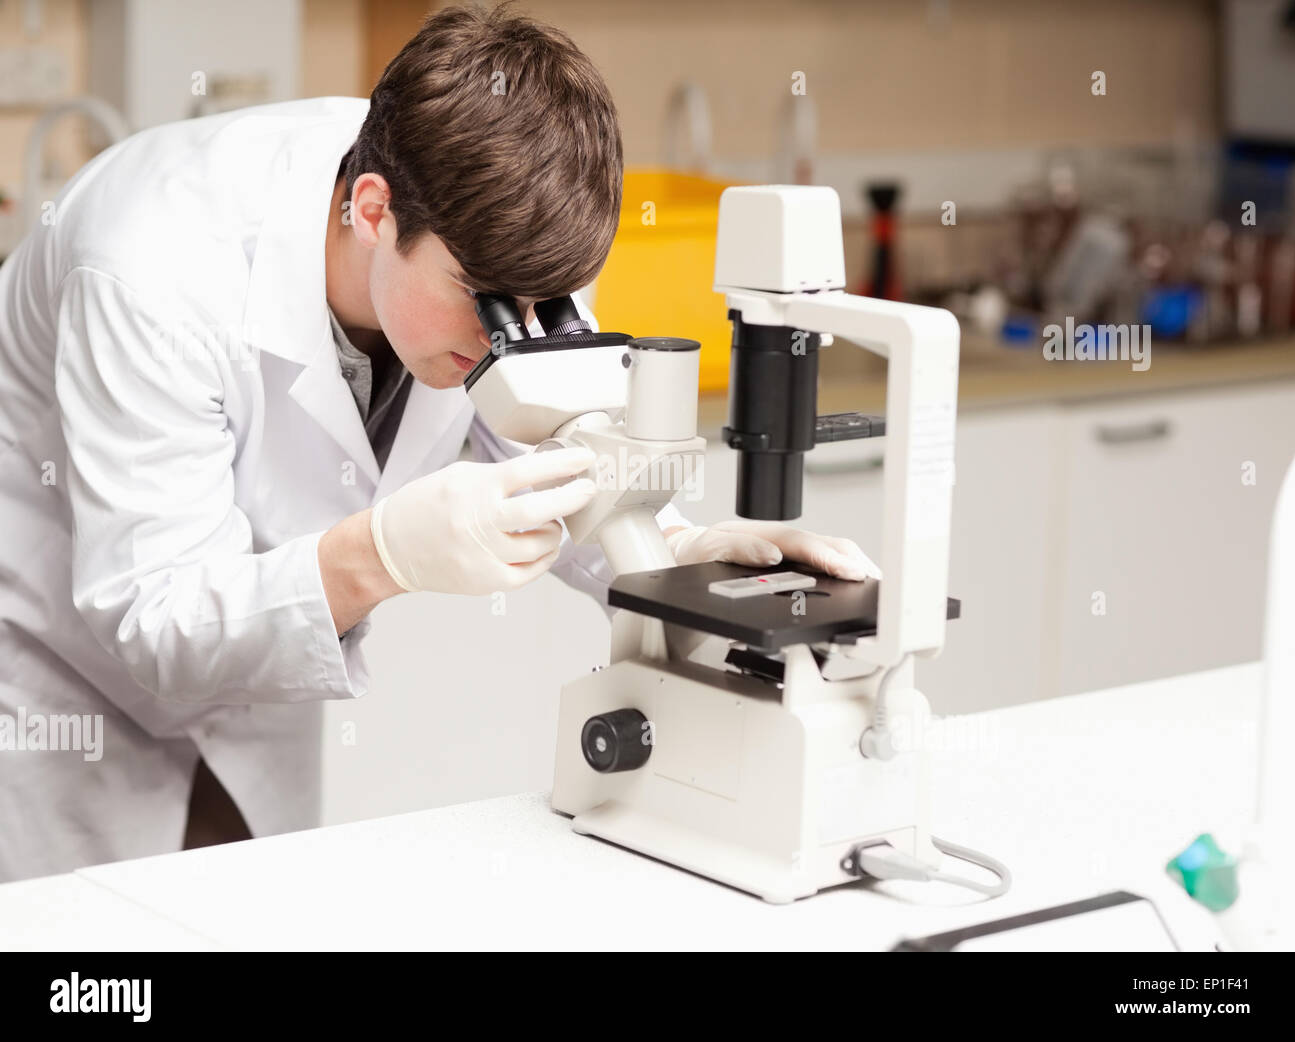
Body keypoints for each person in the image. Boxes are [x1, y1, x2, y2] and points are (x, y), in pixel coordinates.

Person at [0, 4, 877, 884]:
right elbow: (160, 612)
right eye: (490, 302)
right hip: (58, 673)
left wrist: (679, 552)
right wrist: (376, 557)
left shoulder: (496, 227)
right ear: (372, 210)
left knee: (241, 908)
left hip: (257, 667)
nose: (514, 338)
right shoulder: (150, 269)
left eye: (551, 307)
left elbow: (548, 445)